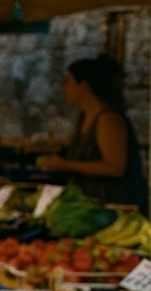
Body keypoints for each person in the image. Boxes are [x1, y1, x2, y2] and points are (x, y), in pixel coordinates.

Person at [41, 56, 147, 210]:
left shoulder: (108, 119)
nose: (65, 88)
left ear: (83, 85)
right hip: (89, 202)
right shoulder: (84, 116)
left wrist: (66, 165)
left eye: (68, 82)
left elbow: (115, 167)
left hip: (112, 206)